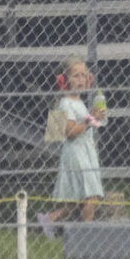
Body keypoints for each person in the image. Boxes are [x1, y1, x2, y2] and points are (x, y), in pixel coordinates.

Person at [37, 57, 105, 237]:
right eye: (76, 76)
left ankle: (48, 219)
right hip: (76, 153)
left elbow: (84, 128)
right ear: (65, 80)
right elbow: (71, 133)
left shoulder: (79, 102)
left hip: (85, 152)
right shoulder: (66, 102)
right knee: (91, 196)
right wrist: (90, 120)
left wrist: (95, 119)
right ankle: (86, 233)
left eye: (84, 75)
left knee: (75, 200)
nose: (81, 80)